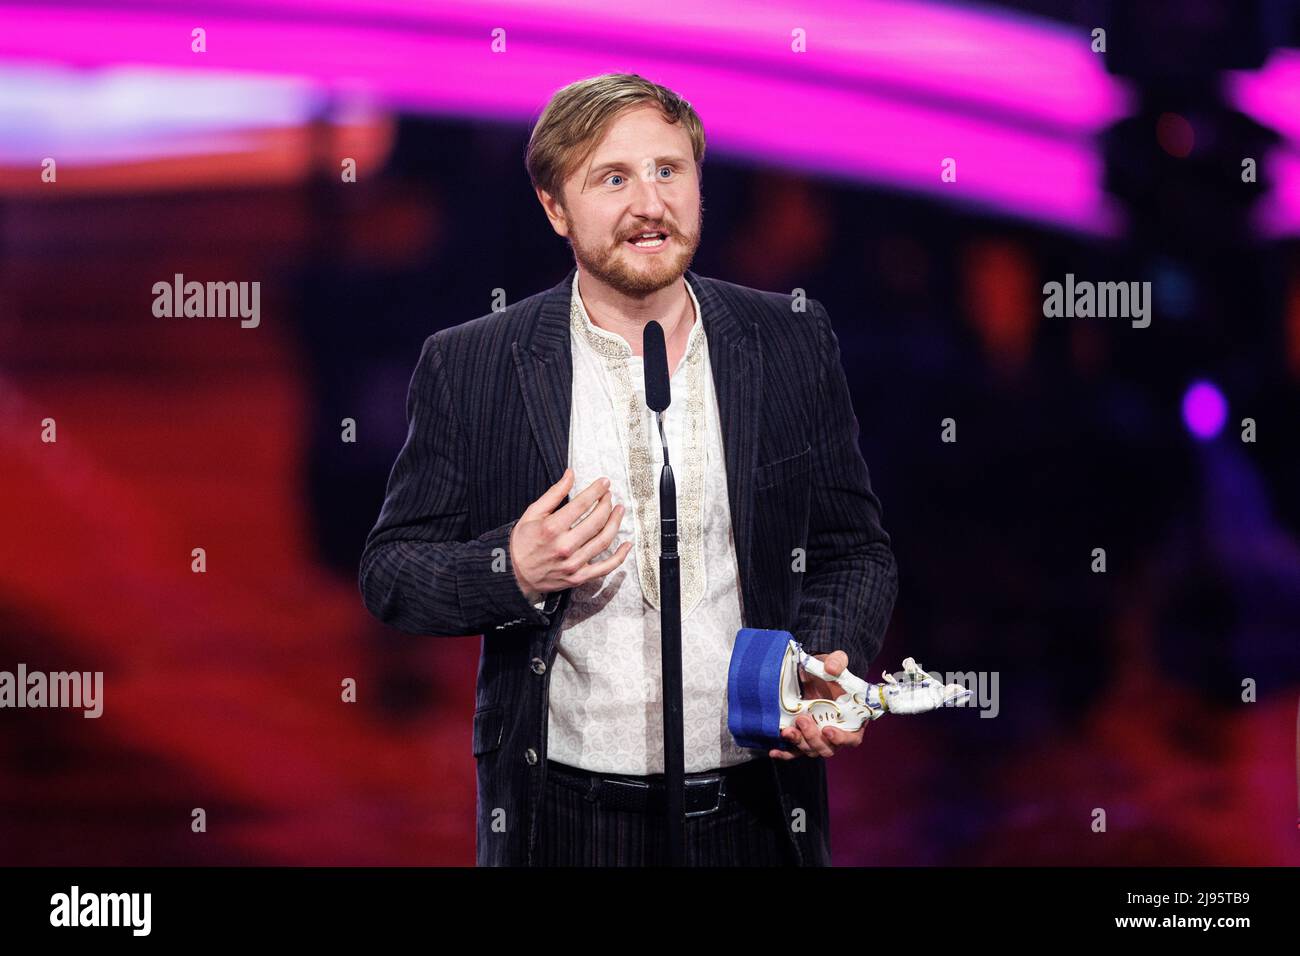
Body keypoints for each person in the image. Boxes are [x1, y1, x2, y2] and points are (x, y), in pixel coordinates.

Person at [358, 72, 898, 866]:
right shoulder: (473, 364)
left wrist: (813, 664)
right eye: (614, 178)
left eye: (668, 171)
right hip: (566, 816)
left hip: (753, 807)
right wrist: (513, 568)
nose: (651, 203)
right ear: (555, 208)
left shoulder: (787, 339)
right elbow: (392, 572)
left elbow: (856, 551)